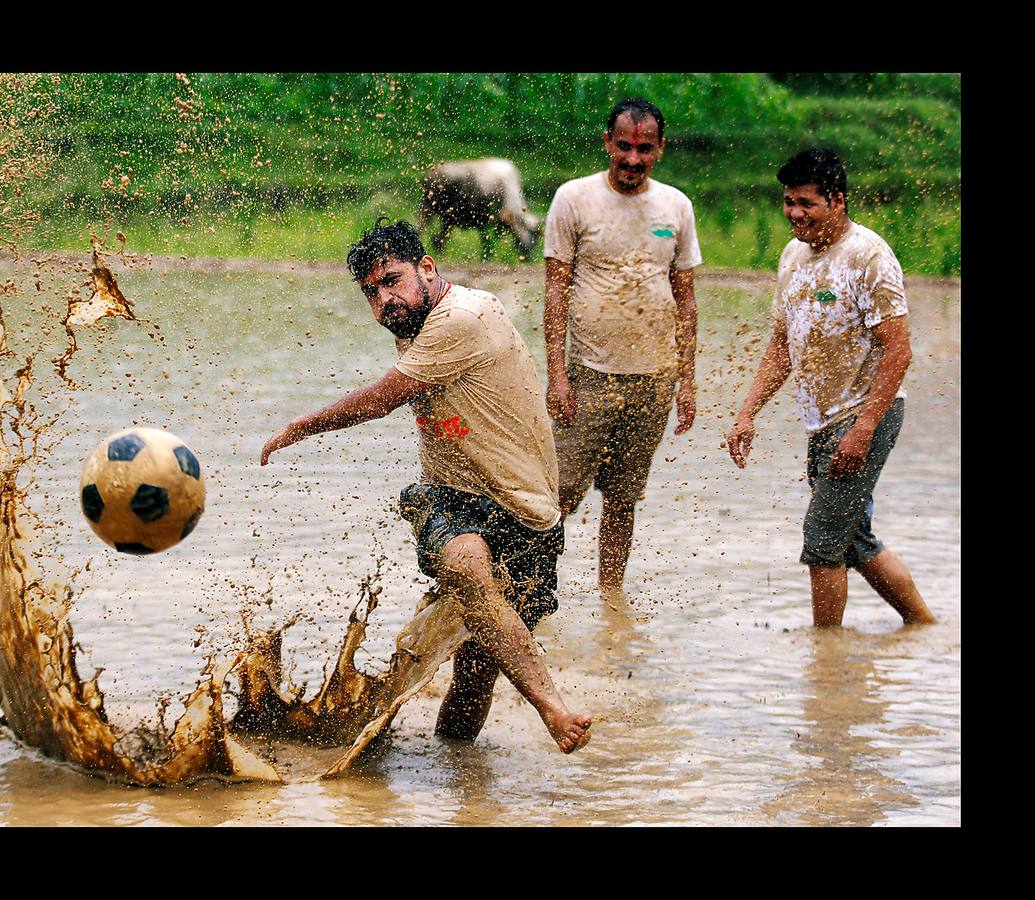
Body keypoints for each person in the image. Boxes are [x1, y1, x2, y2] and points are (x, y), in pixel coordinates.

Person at [261, 218, 593, 753]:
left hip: (527, 512)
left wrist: (301, 426)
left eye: (393, 280)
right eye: (372, 292)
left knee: (474, 676)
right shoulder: (418, 322)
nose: (385, 299)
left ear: (428, 268)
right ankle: (550, 708)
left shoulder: (461, 317)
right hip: (452, 498)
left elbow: (380, 399)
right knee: (464, 565)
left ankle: (454, 761)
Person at [726, 149, 937, 628]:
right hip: (821, 420)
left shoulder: (868, 257)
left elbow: (898, 352)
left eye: (807, 203)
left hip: (864, 415)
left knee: (822, 540)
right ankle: (924, 627)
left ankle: (826, 657)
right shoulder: (793, 255)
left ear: (837, 201)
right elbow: (783, 344)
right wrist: (747, 413)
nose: (795, 214)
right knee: (855, 539)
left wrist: (861, 432)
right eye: (788, 202)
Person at [543, 97, 702, 599]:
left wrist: (688, 380)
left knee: (624, 497)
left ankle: (611, 600)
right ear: (608, 143)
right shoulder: (574, 199)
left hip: (655, 378)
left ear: (660, 150)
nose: (633, 159)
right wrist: (557, 375)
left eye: (645, 149)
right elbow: (555, 292)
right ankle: (531, 590)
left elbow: (686, 300)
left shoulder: (675, 206)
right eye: (625, 147)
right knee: (557, 494)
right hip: (589, 372)